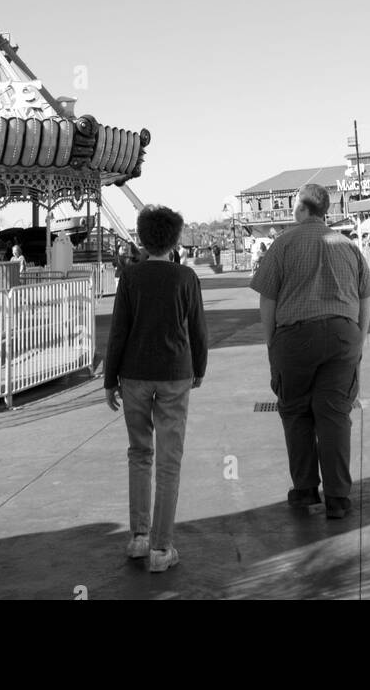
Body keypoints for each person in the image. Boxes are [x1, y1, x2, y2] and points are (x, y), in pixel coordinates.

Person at [251, 182, 370, 520]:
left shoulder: (282, 244)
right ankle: (338, 497)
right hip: (342, 335)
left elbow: (268, 301)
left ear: (301, 208)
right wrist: (358, 344)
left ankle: (305, 489)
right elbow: (366, 299)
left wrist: (272, 345)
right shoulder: (348, 246)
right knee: (335, 415)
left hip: (294, 338)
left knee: (295, 411)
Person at [105, 204, 208, 573]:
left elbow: (119, 330)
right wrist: (199, 368)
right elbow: (197, 328)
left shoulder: (130, 278)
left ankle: (139, 537)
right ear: (176, 238)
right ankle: (162, 549)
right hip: (175, 373)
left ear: (142, 238)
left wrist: (109, 378)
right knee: (169, 459)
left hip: (133, 374)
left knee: (139, 453)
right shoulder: (185, 278)